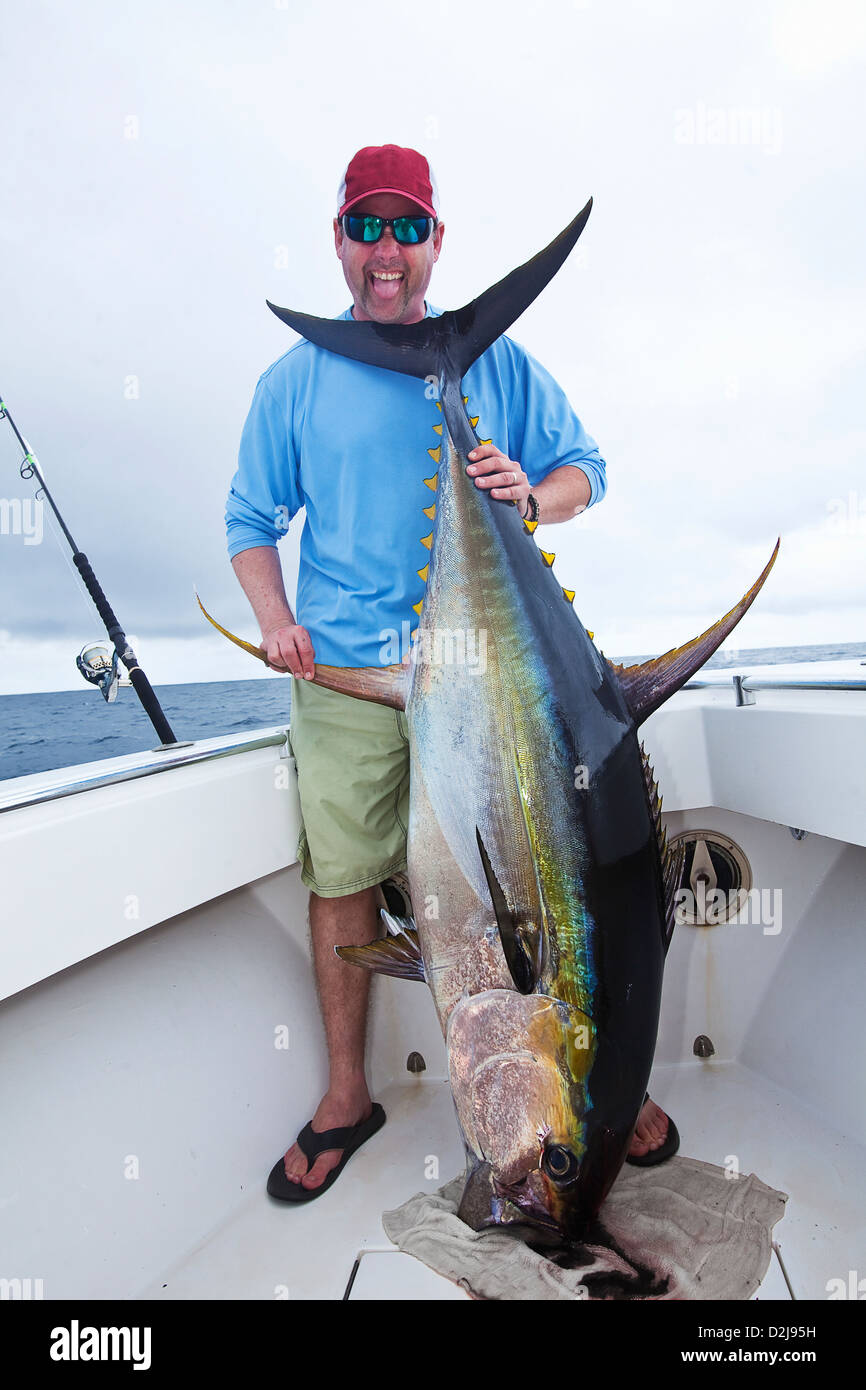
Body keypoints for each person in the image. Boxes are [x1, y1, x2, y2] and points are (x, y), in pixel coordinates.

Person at [225, 145, 677, 1201]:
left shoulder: (501, 364)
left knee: (566, 866)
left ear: (435, 241)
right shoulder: (292, 382)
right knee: (341, 880)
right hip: (350, 675)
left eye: (406, 228)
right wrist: (275, 620)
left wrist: (530, 493)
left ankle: (602, 1077)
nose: (387, 251)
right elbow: (251, 522)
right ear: (341, 239)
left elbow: (585, 474)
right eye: (366, 228)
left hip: (492, 675)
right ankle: (348, 1093)